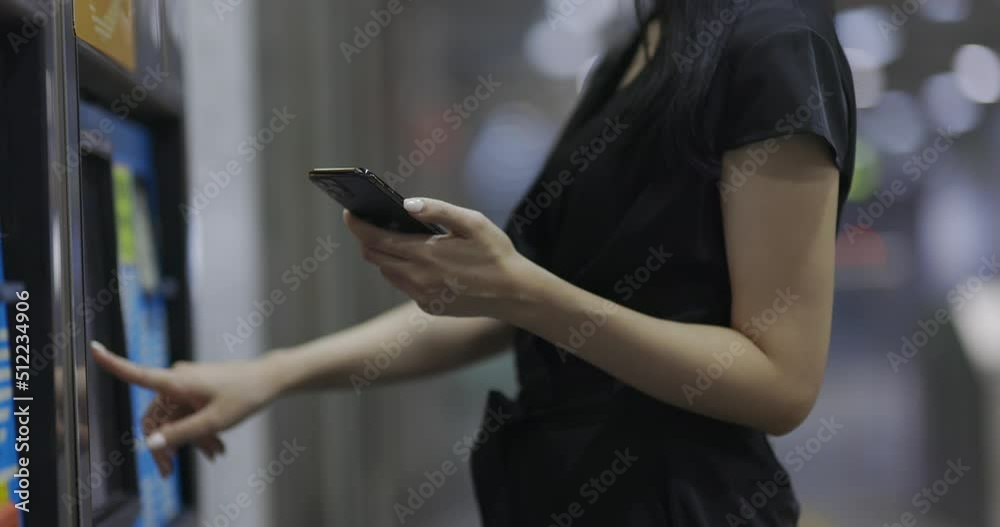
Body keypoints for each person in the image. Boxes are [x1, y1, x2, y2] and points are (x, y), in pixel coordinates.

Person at [92, 0, 855, 524]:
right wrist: (268, 374)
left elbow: (782, 379)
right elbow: (511, 304)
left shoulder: (774, 46)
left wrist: (527, 294)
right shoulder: (637, 50)